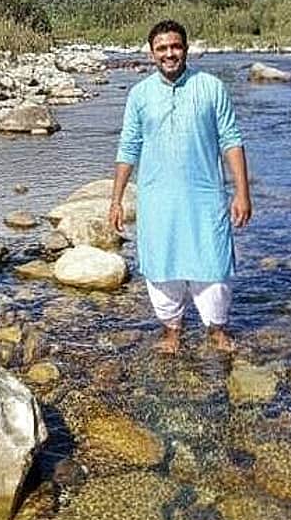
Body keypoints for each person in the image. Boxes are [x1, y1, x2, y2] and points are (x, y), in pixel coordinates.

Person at [108, 20, 252, 354]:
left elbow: (232, 140)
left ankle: (216, 330)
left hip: (206, 199)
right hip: (158, 201)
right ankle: (172, 331)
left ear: (186, 49)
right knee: (161, 268)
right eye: (162, 48)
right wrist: (115, 200)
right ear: (151, 53)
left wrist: (242, 192)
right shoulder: (140, 95)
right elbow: (128, 147)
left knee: (214, 269)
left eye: (175, 46)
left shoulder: (212, 87)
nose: (169, 53)